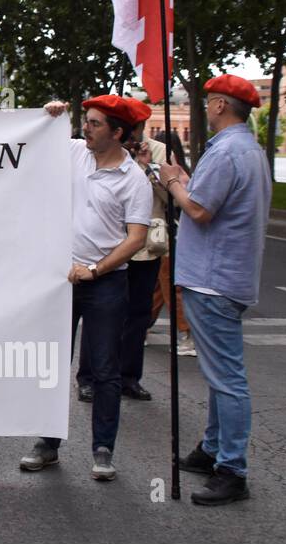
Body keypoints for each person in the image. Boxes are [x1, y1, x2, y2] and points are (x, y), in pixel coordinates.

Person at [20, 96, 151, 481]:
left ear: (117, 133)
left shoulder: (134, 180)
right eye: (86, 122)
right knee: (55, 363)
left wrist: (95, 269)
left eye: (95, 124)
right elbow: (34, 140)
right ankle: (47, 444)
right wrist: (50, 113)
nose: (86, 129)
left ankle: (103, 449)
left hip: (105, 282)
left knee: (106, 368)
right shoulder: (76, 152)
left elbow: (136, 238)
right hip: (62, 279)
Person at [158, 74, 271, 506]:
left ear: (222, 105)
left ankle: (232, 469)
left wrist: (172, 181)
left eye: (208, 101)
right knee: (219, 374)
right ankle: (212, 449)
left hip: (213, 278)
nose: (205, 107)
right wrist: (186, 182)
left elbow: (200, 209)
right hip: (228, 276)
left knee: (227, 378)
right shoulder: (249, 150)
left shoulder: (226, 151)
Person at [76, 98, 166, 401]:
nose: (86, 127)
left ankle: (129, 376)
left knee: (137, 314)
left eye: (95, 122)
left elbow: (170, 195)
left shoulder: (157, 152)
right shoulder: (87, 153)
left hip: (144, 249)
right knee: (97, 318)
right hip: (103, 257)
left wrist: (147, 169)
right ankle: (87, 377)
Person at [149, 132, 194, 356]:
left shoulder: (171, 172)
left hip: (166, 235)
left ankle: (188, 334)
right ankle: (142, 326)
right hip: (167, 235)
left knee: (169, 286)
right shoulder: (183, 171)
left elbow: (173, 200)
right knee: (157, 287)